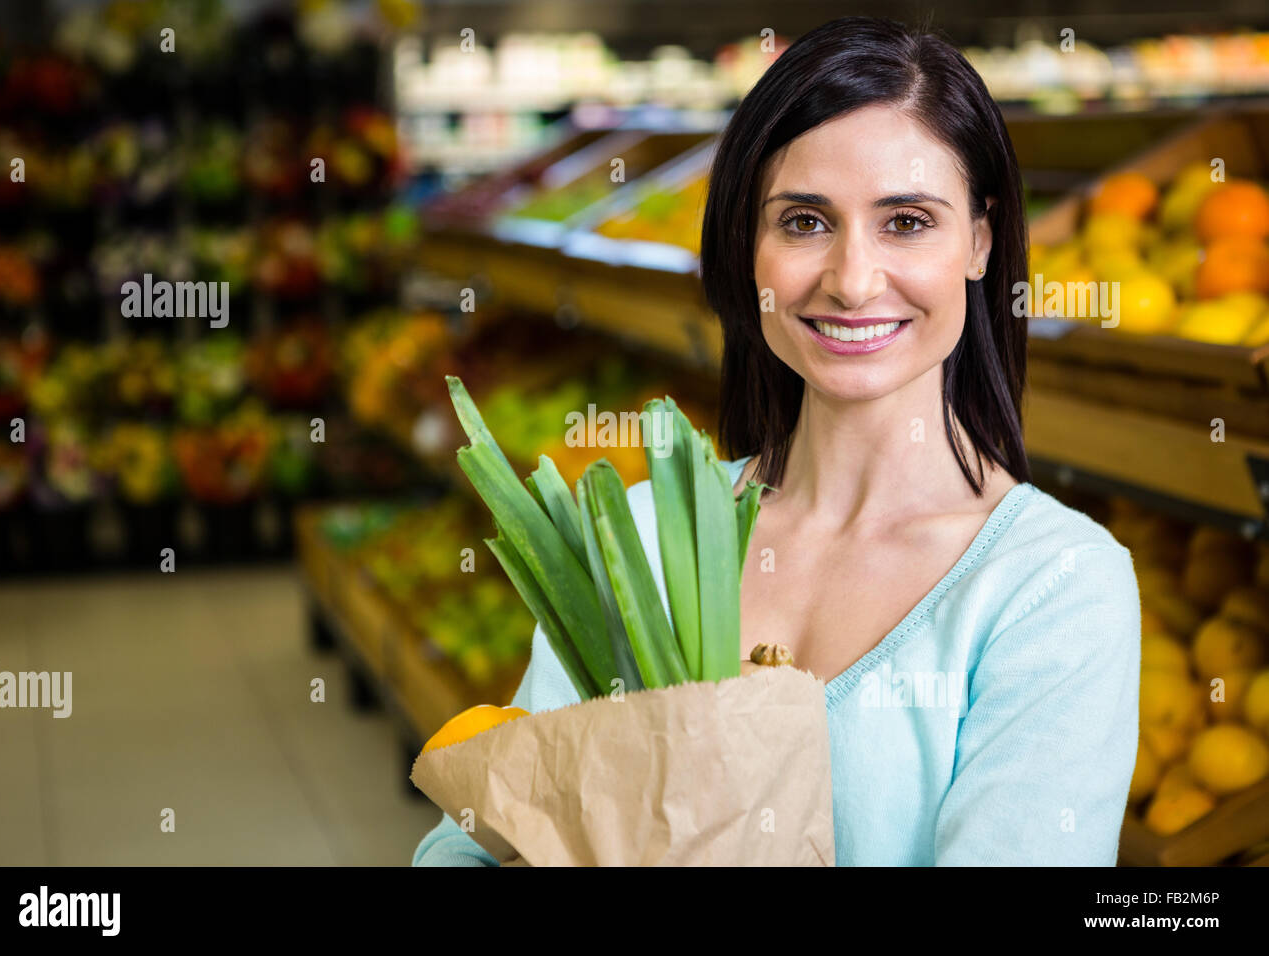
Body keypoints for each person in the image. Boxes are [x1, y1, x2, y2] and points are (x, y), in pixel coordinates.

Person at [413, 15, 1140, 866]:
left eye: (907, 221)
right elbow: (470, 843)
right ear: (747, 245)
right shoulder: (637, 538)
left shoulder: (1052, 588)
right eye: (804, 222)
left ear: (979, 241)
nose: (853, 279)